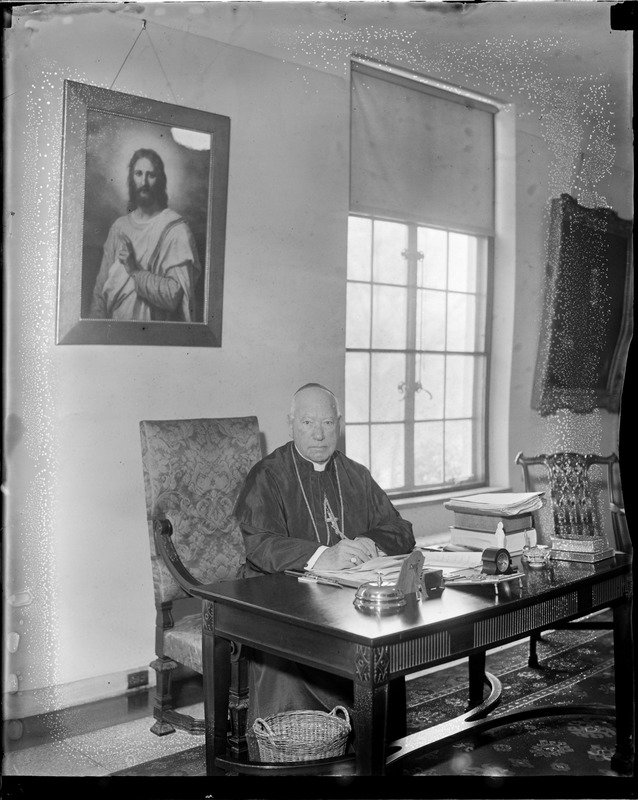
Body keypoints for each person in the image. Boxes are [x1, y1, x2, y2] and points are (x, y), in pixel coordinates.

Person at [234, 382, 415, 757]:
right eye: (308, 422)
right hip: (285, 600)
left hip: (348, 603)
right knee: (289, 654)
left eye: (328, 423)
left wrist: (371, 542)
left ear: (339, 425)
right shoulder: (267, 475)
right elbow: (260, 544)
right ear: (290, 424)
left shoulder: (355, 474)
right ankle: (298, 753)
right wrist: (322, 556)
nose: (319, 433)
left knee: (389, 638)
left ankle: (375, 749)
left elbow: (401, 529)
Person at [88, 148, 201, 321]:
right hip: (115, 334)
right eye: (139, 174)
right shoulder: (119, 227)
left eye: (151, 175)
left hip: (154, 337)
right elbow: (100, 292)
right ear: (131, 179)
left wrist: (135, 270)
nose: (144, 182)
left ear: (160, 180)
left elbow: (174, 297)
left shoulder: (176, 229)